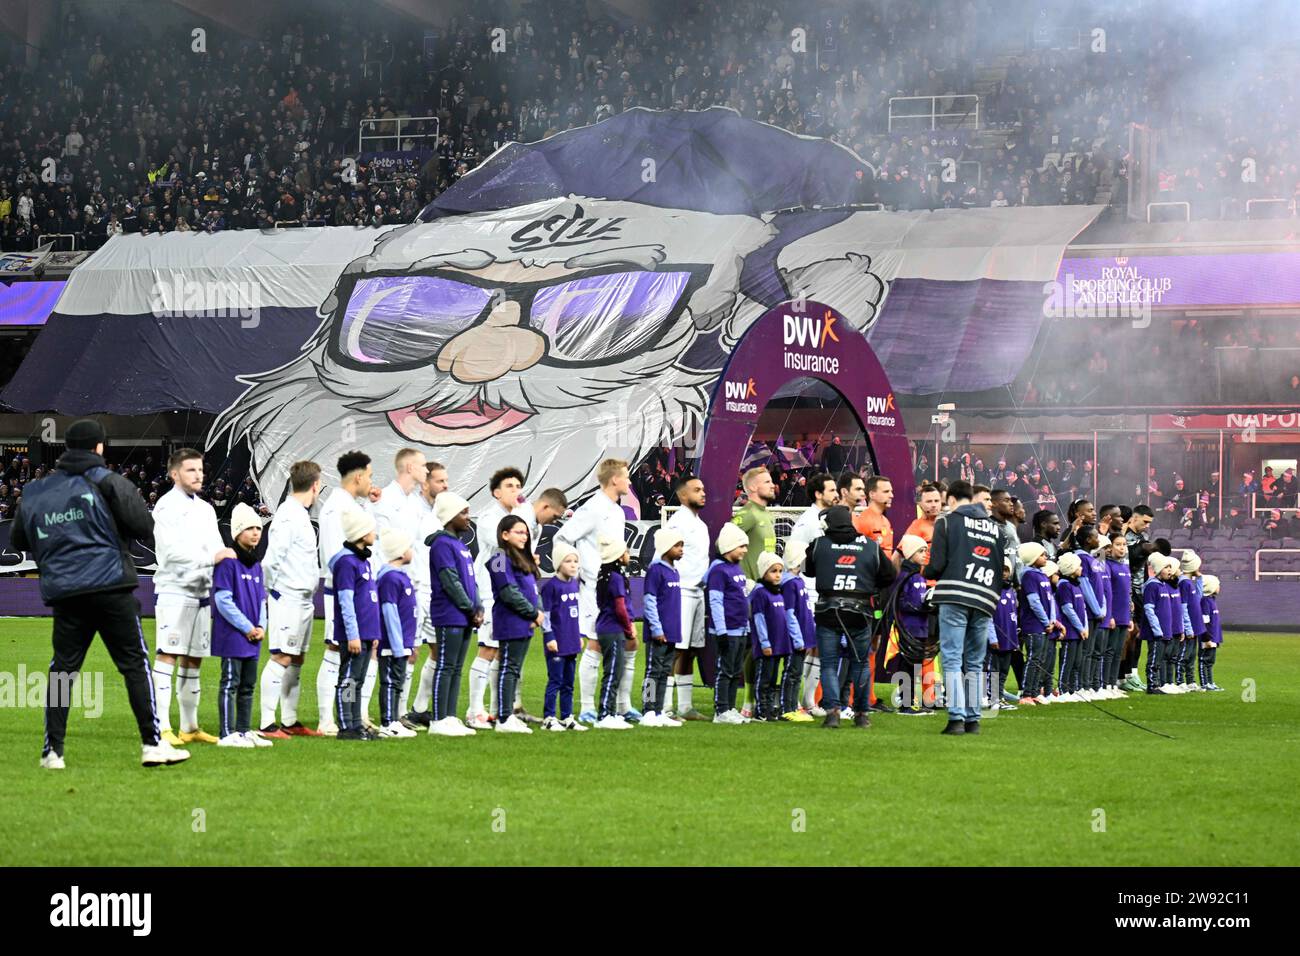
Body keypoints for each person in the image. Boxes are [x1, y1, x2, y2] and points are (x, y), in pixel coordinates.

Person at [14, 418, 188, 769]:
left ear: (66, 449)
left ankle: (53, 752)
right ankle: (152, 745)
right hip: (111, 586)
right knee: (134, 665)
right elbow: (143, 526)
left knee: (62, 670)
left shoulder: (36, 491)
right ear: (99, 448)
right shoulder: (110, 482)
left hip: (66, 591)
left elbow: (19, 540)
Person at [152, 448, 232, 745]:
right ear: (175, 474)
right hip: (175, 592)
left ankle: (190, 727)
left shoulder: (206, 508)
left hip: (201, 591)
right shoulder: (166, 507)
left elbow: (217, 546)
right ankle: (161, 727)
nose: (199, 475)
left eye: (200, 470)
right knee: (168, 655)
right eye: (191, 470)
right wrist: (212, 558)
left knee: (193, 659)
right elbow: (171, 553)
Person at [921, 480, 1004, 735]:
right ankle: (973, 719)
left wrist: (924, 570)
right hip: (984, 598)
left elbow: (937, 564)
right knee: (976, 661)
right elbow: (1000, 568)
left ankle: (956, 718)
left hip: (955, 595)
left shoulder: (947, 522)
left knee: (953, 657)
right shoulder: (996, 528)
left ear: (951, 500)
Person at [554, 459, 631, 724]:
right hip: (594, 587)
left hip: (615, 583)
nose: (629, 481)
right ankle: (588, 706)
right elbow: (562, 537)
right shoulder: (593, 509)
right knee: (596, 643)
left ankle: (622, 704)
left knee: (624, 642)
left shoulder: (617, 511)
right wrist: (578, 567)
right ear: (614, 480)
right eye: (626, 477)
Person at [808, 505, 897, 729]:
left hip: (828, 610)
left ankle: (832, 712)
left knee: (828, 664)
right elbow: (889, 575)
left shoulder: (820, 544)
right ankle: (861, 714)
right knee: (860, 664)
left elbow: (808, 569)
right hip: (860, 611)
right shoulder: (870, 546)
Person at [316, 451, 381, 735]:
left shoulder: (350, 505)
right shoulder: (338, 509)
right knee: (336, 653)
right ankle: (328, 719)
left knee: (355, 661)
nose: (371, 481)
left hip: (357, 593)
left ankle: (354, 717)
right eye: (369, 475)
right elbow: (336, 557)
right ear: (358, 476)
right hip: (342, 591)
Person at [259, 460, 324, 739]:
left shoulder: (298, 514)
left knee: (296, 658)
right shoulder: (288, 516)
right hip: (287, 597)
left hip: (302, 598)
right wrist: (272, 594)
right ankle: (266, 723)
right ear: (315, 485)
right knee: (282, 656)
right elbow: (271, 561)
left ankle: (289, 720)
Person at [466, 466, 528, 729]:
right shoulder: (491, 518)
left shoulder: (514, 516)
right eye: (510, 486)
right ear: (496, 492)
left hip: (504, 590)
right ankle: (474, 710)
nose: (516, 490)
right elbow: (504, 543)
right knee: (488, 648)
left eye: (518, 486)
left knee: (502, 650)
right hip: (490, 591)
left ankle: (495, 709)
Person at [372, 448, 428, 719]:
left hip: (413, 584)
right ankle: (372, 715)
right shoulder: (385, 499)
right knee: (381, 652)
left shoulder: (415, 502)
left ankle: (400, 713)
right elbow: (378, 545)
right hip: (391, 583)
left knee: (410, 650)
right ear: (408, 467)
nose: (426, 471)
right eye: (422, 466)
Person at [211, 503, 270, 749]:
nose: (256, 532)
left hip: (253, 636)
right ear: (237, 533)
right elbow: (223, 600)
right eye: (249, 528)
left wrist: (261, 626)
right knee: (230, 683)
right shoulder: (228, 563)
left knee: (248, 686)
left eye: (258, 527)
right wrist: (247, 627)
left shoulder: (256, 565)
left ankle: (244, 731)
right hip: (234, 635)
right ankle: (226, 733)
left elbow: (261, 600)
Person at [423, 491, 481, 736]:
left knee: (457, 667)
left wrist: (477, 607)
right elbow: (450, 580)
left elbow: (471, 581)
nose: (468, 517)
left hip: (465, 614)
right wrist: (469, 607)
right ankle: (437, 719)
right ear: (450, 516)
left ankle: (449, 715)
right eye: (463, 513)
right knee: (446, 666)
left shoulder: (460, 545)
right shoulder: (442, 545)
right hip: (449, 613)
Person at [487, 515, 543, 735]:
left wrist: (534, 614)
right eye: (519, 532)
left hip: (524, 621)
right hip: (510, 620)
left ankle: (507, 713)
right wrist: (532, 613)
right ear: (504, 534)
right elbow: (508, 591)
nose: (524, 536)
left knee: (514, 669)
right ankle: (503, 717)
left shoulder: (521, 558)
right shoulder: (499, 557)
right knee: (509, 668)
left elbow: (532, 589)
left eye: (525, 532)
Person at [788, 472, 837, 716]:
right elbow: (794, 555)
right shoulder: (808, 522)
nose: (836, 494)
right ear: (818, 494)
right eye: (831, 490)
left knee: (819, 645)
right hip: (808, 590)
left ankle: (809, 700)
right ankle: (793, 699)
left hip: (823, 589)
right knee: (805, 645)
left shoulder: (827, 518)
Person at [404, 460, 449, 725]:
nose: (445, 486)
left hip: (435, 591)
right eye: (440, 481)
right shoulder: (411, 509)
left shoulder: (439, 513)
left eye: (445, 481)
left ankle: (419, 709)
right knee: (410, 651)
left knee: (438, 649)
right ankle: (397, 713)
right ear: (425, 482)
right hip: (414, 589)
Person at [329, 509, 380, 740]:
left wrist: (374, 632)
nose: (374, 533)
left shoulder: (363, 560)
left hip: (367, 633)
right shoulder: (346, 562)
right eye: (371, 529)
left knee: (357, 680)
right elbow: (346, 601)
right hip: (355, 634)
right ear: (360, 533)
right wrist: (353, 634)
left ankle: (356, 722)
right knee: (349, 679)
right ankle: (346, 725)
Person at [664, 475, 710, 721]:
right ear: (683, 496)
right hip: (680, 590)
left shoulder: (700, 524)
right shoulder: (677, 522)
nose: (703, 493)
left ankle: (685, 706)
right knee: (675, 649)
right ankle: (664, 706)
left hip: (698, 591)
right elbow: (664, 553)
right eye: (697, 490)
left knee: (690, 650)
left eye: (703, 489)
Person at [732, 466, 777, 718]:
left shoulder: (765, 514)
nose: (772, 485)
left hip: (766, 589)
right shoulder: (748, 514)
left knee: (762, 646)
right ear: (752, 488)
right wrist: (743, 579)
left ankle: (758, 699)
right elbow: (725, 541)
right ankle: (747, 702)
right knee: (752, 646)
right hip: (750, 589)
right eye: (767, 481)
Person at [885, 534, 937, 714]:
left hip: (920, 627)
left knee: (915, 665)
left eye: (926, 551)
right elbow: (899, 602)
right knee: (907, 664)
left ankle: (911, 701)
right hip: (908, 627)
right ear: (910, 554)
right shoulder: (905, 576)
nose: (925, 554)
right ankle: (905, 703)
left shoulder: (919, 576)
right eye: (921, 551)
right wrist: (922, 607)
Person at [749, 551, 801, 722]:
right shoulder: (760, 593)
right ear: (764, 572)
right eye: (773, 571)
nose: (778, 575)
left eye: (780, 571)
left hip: (780, 645)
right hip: (767, 646)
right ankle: (761, 710)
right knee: (764, 679)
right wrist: (764, 643)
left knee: (773, 680)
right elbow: (759, 619)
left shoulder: (778, 593)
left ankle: (770, 709)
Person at [375, 528, 418, 738]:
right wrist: (397, 643)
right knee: (390, 681)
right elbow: (389, 611)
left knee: (397, 681)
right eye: (409, 546)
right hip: (393, 644)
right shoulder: (390, 578)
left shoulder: (400, 576)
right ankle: (387, 723)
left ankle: (393, 720)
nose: (412, 550)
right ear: (401, 552)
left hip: (403, 641)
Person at [708, 523, 751, 725]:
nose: (745, 550)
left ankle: (731, 708)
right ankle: (720, 710)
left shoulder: (736, 568)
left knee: (735, 671)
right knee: (724, 670)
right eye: (741, 546)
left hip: (741, 628)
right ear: (728, 547)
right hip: (728, 630)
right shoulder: (718, 571)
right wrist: (721, 631)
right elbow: (715, 602)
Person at [641, 529, 685, 727]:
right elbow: (649, 601)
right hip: (658, 633)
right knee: (653, 671)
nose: (681, 550)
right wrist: (656, 628)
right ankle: (647, 709)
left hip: (672, 632)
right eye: (677, 546)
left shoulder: (674, 571)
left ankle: (658, 710)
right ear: (666, 547)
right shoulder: (655, 570)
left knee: (665, 671)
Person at [540, 542, 586, 732]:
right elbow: (546, 615)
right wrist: (549, 636)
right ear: (558, 564)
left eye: (575, 561)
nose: (573, 565)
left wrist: (579, 635)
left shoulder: (574, 585)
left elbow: (576, 613)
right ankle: (549, 717)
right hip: (556, 643)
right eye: (568, 561)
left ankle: (567, 716)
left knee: (569, 682)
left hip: (571, 641)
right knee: (555, 680)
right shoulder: (551, 587)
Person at [593, 534, 637, 730]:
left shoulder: (604, 575)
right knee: (612, 672)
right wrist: (629, 628)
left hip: (605, 626)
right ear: (619, 556)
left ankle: (610, 712)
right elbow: (620, 606)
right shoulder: (617, 578)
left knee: (613, 670)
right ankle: (605, 714)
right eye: (626, 551)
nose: (628, 554)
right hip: (613, 628)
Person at [1017, 542, 1064, 705]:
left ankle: (1036, 691)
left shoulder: (1042, 575)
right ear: (1032, 557)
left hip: (1045, 625)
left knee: (1041, 659)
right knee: (1033, 659)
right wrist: (1045, 621)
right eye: (1042, 555)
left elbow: (1050, 601)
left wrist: (1051, 621)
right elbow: (1033, 601)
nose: (1045, 557)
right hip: (1033, 625)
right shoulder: (1029, 575)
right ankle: (1026, 694)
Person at [778, 541, 815, 722]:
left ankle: (794, 706)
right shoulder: (790, 584)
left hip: (803, 636)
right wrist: (798, 638)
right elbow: (789, 613)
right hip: (795, 639)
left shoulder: (799, 582)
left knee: (796, 673)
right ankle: (787, 707)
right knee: (791, 672)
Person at [1073, 525, 1108, 700]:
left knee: (1092, 649)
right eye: (1096, 536)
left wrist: (1102, 607)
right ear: (1088, 540)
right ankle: (1081, 686)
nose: (1098, 539)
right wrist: (1096, 608)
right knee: (1085, 650)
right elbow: (1085, 585)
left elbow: (1100, 586)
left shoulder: (1093, 558)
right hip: (1088, 611)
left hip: (1097, 612)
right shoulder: (1081, 558)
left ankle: (1087, 685)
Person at [1139, 554, 1178, 695]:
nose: (1169, 570)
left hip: (1164, 631)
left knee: (1159, 658)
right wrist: (1157, 630)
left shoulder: (1163, 585)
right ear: (1158, 569)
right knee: (1154, 658)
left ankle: (1156, 684)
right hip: (1156, 632)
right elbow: (1149, 609)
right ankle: (1151, 685)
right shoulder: (1152, 586)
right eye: (1166, 567)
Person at [1102, 533, 1133, 697]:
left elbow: (1128, 593)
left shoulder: (1125, 567)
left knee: (1118, 652)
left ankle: (1112, 684)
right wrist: (1110, 615)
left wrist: (1130, 617)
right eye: (1118, 544)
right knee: (1109, 651)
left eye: (1124, 544)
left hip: (1124, 616)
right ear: (1110, 547)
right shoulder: (1107, 565)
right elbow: (1106, 593)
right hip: (1112, 616)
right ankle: (1104, 684)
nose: (1122, 548)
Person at [986, 558, 1019, 711]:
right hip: (996, 641)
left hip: (1009, 640)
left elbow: (1013, 616)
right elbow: (987, 617)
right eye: (1001, 570)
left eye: (1006, 570)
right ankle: (993, 699)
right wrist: (992, 638)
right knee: (994, 670)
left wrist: (1015, 639)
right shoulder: (990, 591)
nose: (1004, 573)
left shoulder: (1011, 591)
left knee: (1004, 671)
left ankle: (999, 697)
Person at [1176, 550, 1205, 692]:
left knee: (1191, 655)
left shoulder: (1189, 583)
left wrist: (1199, 580)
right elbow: (1183, 607)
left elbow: (1199, 597)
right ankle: (1180, 681)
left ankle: (1190, 681)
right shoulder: (1184, 583)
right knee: (1184, 654)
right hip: (1190, 626)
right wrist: (1188, 628)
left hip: (1195, 624)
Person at [1198, 574, 1223, 691]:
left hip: (1214, 637)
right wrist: (1206, 638)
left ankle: (1211, 682)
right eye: (1218, 585)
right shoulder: (1205, 601)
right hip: (1207, 638)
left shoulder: (1212, 600)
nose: (1219, 587)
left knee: (1210, 661)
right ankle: (1205, 683)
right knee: (1204, 660)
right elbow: (1204, 621)